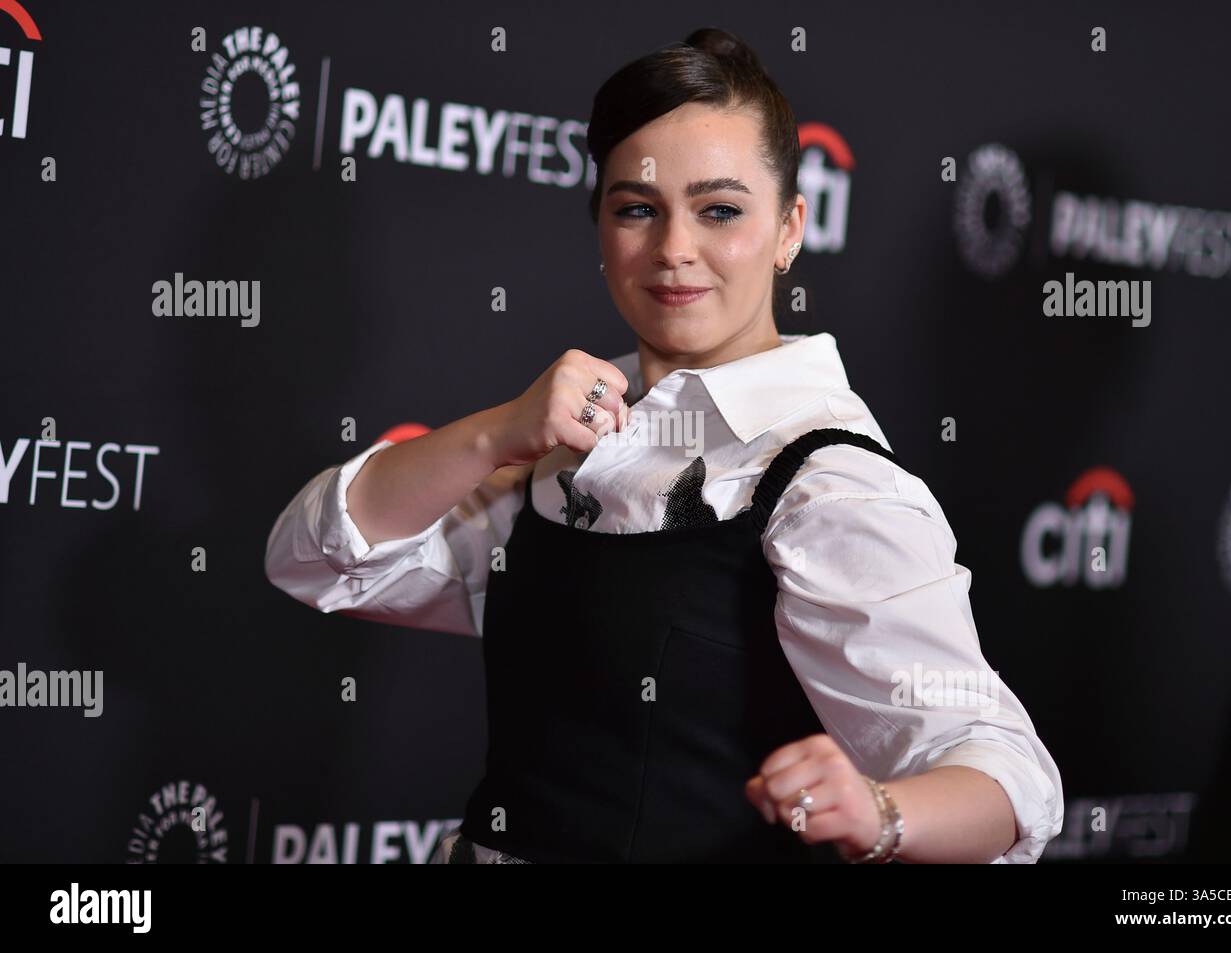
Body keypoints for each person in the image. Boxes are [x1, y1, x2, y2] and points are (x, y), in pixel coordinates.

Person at [265, 26, 1063, 864]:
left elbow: (1006, 769)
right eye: (638, 209)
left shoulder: (828, 480)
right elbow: (314, 560)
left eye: (720, 210)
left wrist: (882, 811)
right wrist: (493, 433)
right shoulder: (561, 438)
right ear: (601, 231)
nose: (674, 249)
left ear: (791, 227)